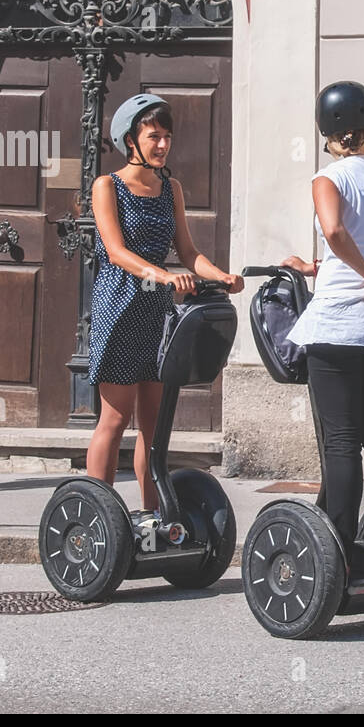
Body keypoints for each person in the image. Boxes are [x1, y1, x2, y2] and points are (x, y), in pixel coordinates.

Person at [85, 94, 243, 516]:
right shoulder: (107, 186)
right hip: (119, 308)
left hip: (157, 316)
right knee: (115, 420)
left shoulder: (170, 188)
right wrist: (164, 275)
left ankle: (157, 517)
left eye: (167, 136)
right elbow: (115, 251)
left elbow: (189, 252)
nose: (162, 145)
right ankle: (96, 515)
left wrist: (220, 275)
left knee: (155, 429)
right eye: (154, 135)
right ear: (130, 139)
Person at [281, 80, 364, 575]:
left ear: (330, 133)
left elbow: (336, 231)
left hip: (339, 322)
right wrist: (324, 269)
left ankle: (335, 551)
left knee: (340, 441)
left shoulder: (329, 177)